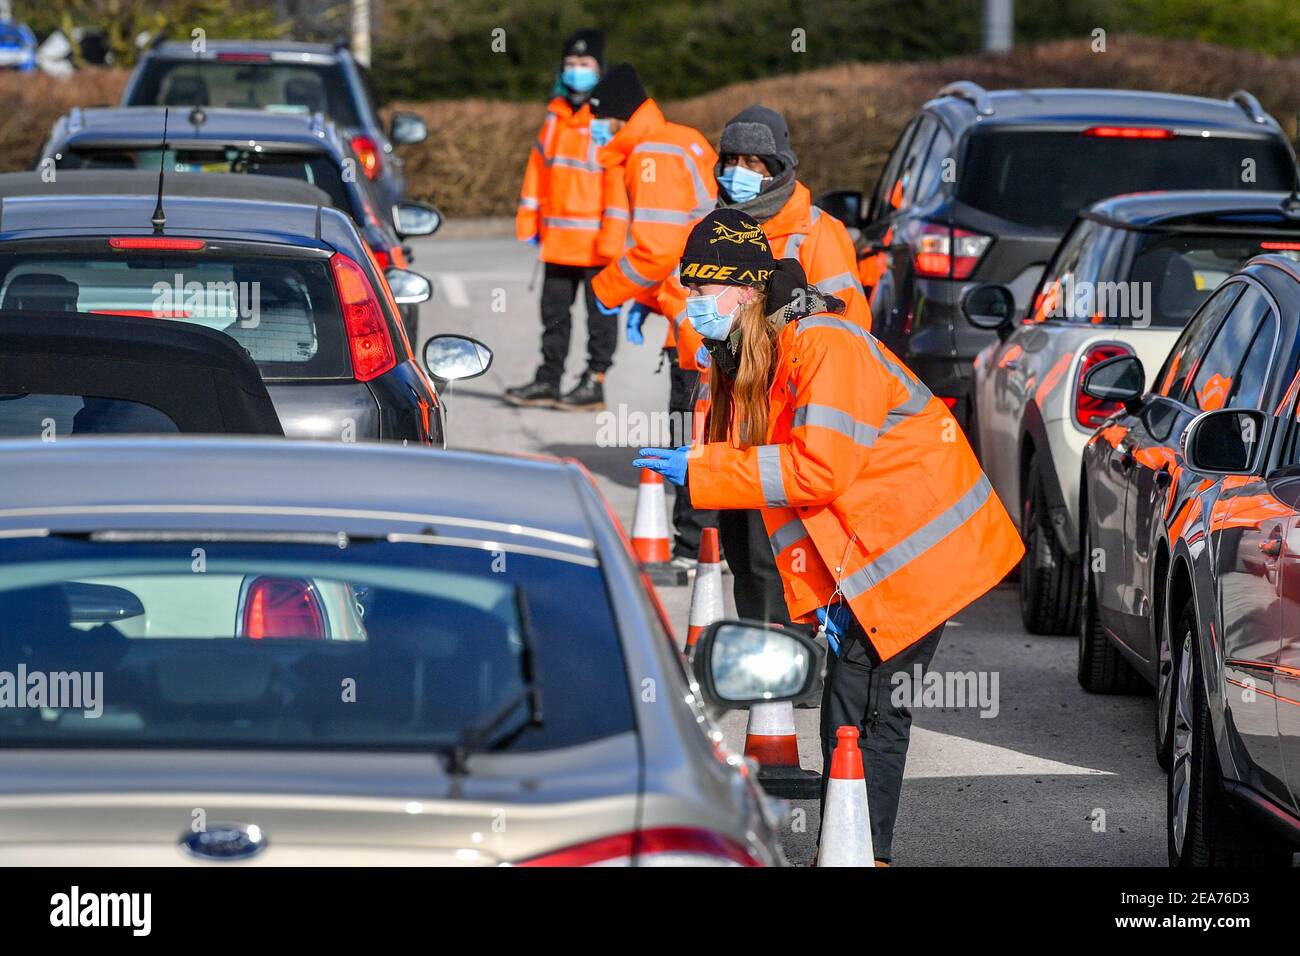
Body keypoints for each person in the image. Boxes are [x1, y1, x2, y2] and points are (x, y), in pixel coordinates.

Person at [634, 208, 1023, 864]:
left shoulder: (823, 346)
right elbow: (781, 497)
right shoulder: (762, 355)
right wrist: (825, 601)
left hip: (921, 551)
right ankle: (850, 849)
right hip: (876, 555)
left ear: (746, 289)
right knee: (851, 700)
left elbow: (817, 469)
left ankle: (860, 852)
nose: (690, 305)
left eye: (700, 292)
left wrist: (703, 469)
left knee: (871, 707)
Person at [659, 104, 869, 618]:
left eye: (755, 163)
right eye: (731, 160)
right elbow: (679, 287)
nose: (740, 173)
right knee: (743, 545)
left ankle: (791, 654)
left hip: (787, 414)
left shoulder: (816, 231)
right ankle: (761, 651)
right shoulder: (711, 223)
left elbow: (847, 323)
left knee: (781, 553)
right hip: (726, 396)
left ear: (779, 167)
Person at [586, 62, 718, 565]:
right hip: (699, 305)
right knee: (709, 423)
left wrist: (610, 289)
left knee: (690, 425)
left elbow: (659, 249)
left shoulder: (650, 155)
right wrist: (646, 301)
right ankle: (709, 537)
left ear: (618, 116)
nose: (596, 128)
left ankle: (695, 544)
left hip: (695, 316)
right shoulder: (678, 138)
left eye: (599, 118)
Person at [505, 30, 629, 411]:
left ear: (599, 69)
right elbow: (538, 171)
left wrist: (614, 234)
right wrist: (528, 219)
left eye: (585, 64)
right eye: (571, 64)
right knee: (554, 314)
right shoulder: (555, 116)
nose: (577, 70)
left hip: (598, 241)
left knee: (600, 317)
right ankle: (549, 378)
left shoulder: (610, 117)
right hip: (558, 240)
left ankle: (594, 381)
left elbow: (618, 178)